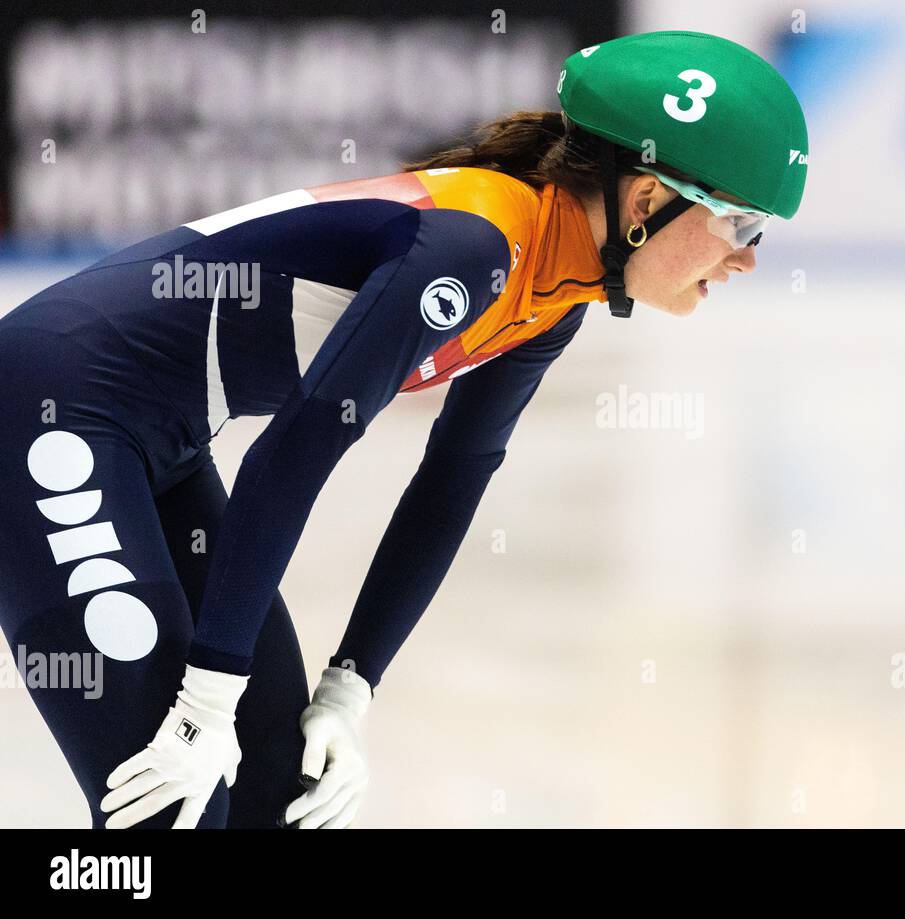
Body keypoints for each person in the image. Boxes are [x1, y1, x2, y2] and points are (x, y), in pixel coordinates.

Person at [0, 29, 807, 828]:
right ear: (644, 200)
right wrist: (205, 699)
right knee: (172, 807)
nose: (747, 260)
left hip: (160, 438)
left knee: (279, 789)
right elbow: (296, 450)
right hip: (48, 412)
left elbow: (453, 476)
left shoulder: (551, 290)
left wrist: (350, 688)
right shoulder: (476, 243)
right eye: (741, 224)